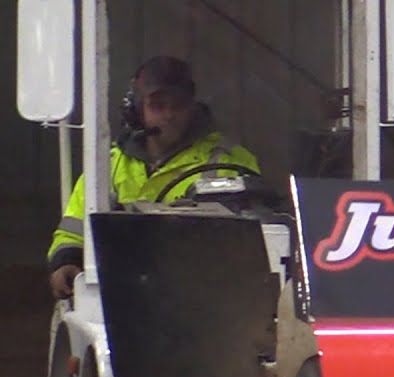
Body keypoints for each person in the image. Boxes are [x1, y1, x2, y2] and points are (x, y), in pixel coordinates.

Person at [46, 55, 262, 299]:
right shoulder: (106, 167)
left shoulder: (231, 162)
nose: (169, 115)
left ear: (192, 107)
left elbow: (255, 245)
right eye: (158, 105)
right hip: (121, 297)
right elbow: (73, 229)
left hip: (206, 299)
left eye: (178, 105)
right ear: (137, 111)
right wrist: (66, 262)